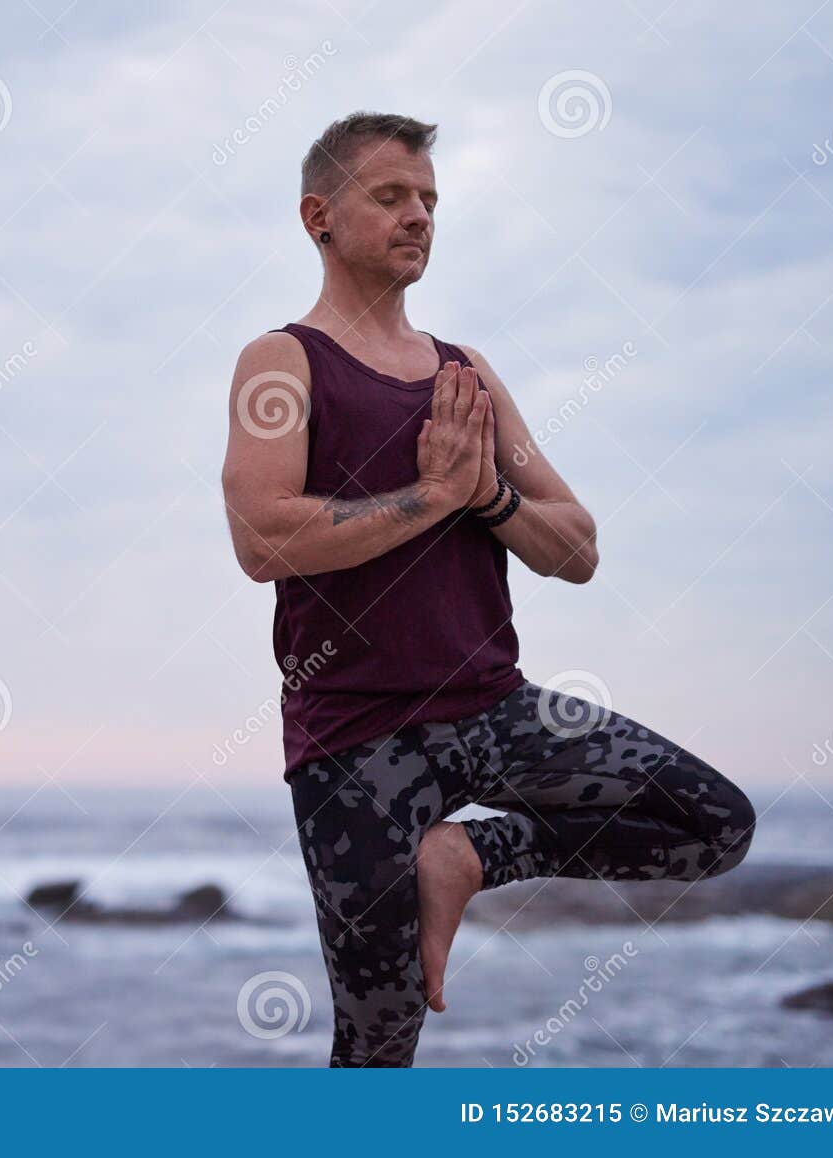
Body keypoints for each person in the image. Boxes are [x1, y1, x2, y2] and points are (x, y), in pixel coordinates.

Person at [219, 112, 757, 1067]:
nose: (419, 216)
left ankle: (468, 859)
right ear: (318, 216)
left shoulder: (467, 376)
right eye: (391, 197)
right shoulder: (284, 362)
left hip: (494, 713)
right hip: (356, 741)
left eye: (429, 200)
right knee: (381, 1042)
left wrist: (489, 496)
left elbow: (577, 548)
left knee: (716, 823)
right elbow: (264, 538)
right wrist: (432, 496)